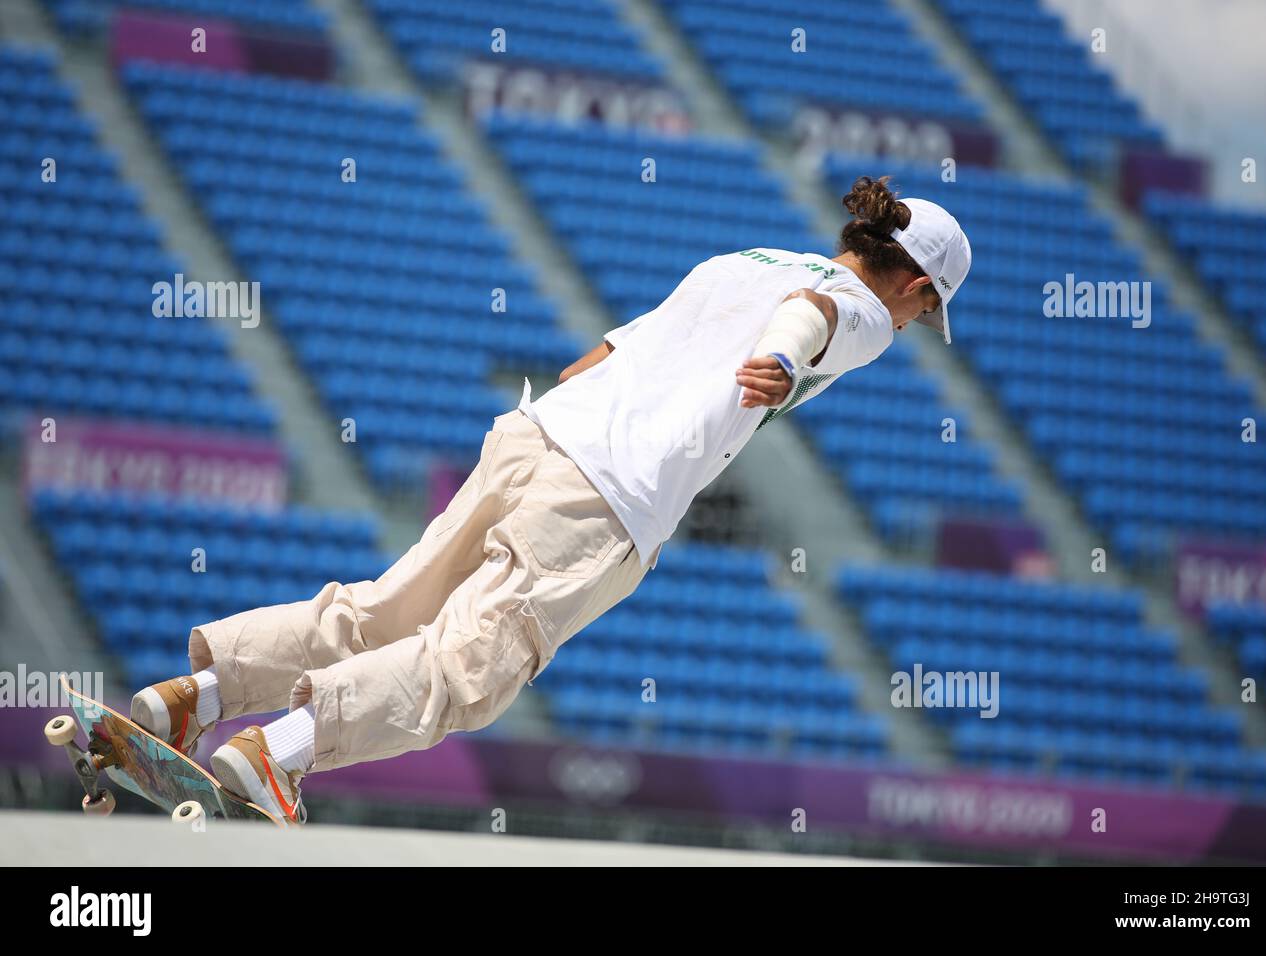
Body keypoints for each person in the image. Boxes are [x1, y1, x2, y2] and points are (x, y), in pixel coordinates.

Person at [129, 175, 971, 823]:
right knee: (468, 668)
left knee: (385, 612)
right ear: (916, 288)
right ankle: (280, 753)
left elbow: (594, 358)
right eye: (923, 313)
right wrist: (785, 361)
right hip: (606, 494)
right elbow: (816, 313)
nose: (910, 328)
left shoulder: (745, 259)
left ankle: (191, 699)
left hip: (537, 433)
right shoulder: (863, 308)